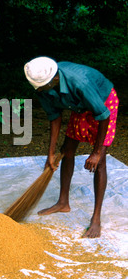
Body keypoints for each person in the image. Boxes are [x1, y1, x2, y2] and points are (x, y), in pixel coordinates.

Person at [24, 57, 119, 238]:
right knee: (66, 150)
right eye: (38, 88)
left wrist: (96, 152)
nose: (40, 91)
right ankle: (63, 202)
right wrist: (50, 154)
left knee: (100, 163)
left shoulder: (79, 83)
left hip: (104, 102)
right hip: (80, 106)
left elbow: (103, 115)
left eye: (42, 88)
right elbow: (54, 117)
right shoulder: (41, 86)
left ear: (55, 80)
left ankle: (96, 218)